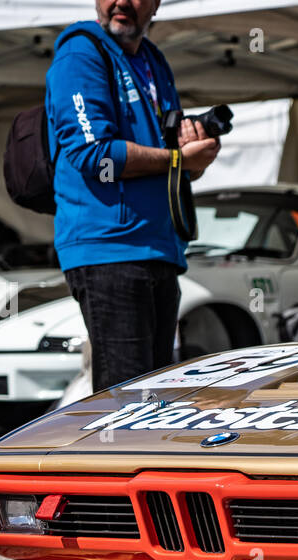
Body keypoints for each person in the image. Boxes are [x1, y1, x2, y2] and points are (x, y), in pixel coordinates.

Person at [48, 0, 220, 391]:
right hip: (110, 250)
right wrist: (177, 159)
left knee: (153, 398)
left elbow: (171, 162)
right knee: (124, 402)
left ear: (157, 4)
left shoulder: (153, 59)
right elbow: (92, 153)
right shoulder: (80, 51)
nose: (122, 1)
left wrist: (194, 159)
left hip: (158, 249)